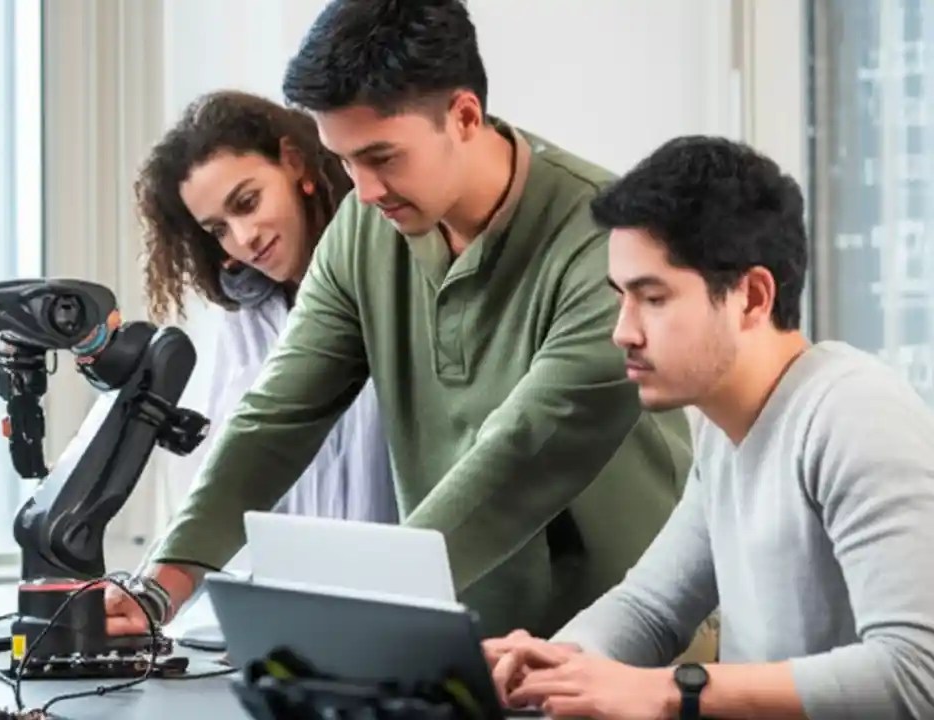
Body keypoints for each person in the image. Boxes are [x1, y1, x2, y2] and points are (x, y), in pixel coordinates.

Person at [108, 0, 693, 639]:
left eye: (382, 157)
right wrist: (161, 587)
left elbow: (530, 445)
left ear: (464, 116)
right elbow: (278, 415)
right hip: (465, 643)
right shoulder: (364, 230)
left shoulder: (609, 237)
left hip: (628, 644)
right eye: (345, 161)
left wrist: (372, 607)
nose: (363, 190)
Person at [482, 136, 934, 720]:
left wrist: (673, 691)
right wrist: (557, 664)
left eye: (653, 297)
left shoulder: (852, 413)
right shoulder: (726, 432)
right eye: (621, 297)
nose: (624, 331)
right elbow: (651, 607)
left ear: (751, 297)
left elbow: (915, 671)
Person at [134, 89, 398, 525]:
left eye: (247, 203)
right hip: (286, 583)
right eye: (218, 228)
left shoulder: (388, 273)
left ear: (293, 162)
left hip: (402, 578)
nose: (243, 238)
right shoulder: (245, 320)